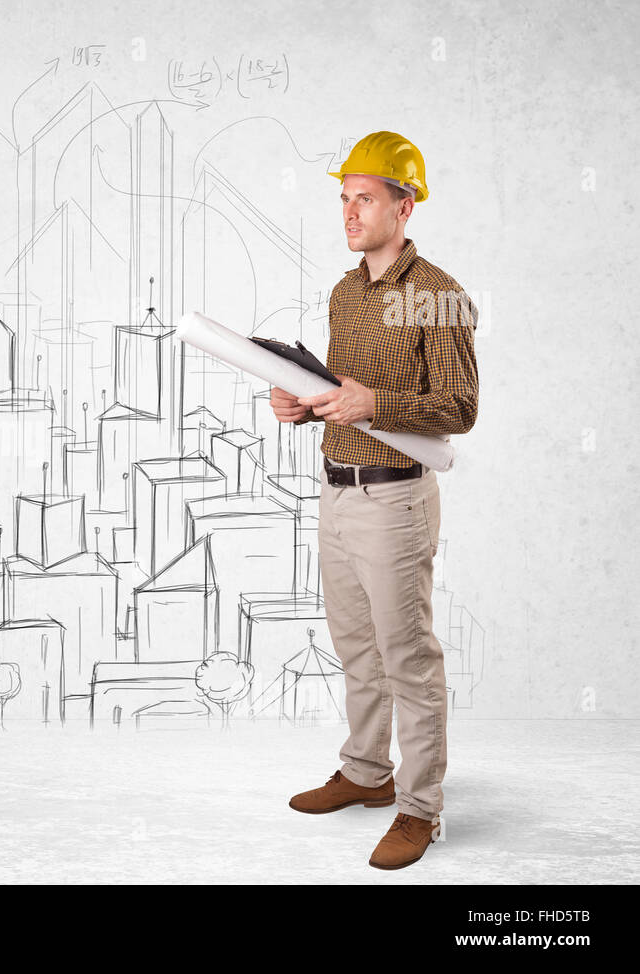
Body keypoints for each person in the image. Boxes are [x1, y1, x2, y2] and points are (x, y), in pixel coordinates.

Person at [271, 131, 479, 870]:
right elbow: (345, 398)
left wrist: (374, 403)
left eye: (366, 198)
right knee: (357, 650)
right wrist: (305, 404)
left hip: (396, 503)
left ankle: (420, 808)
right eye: (345, 199)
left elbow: (458, 408)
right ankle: (366, 773)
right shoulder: (344, 293)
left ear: (405, 203)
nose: (350, 213)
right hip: (337, 491)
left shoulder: (441, 296)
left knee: (407, 658)